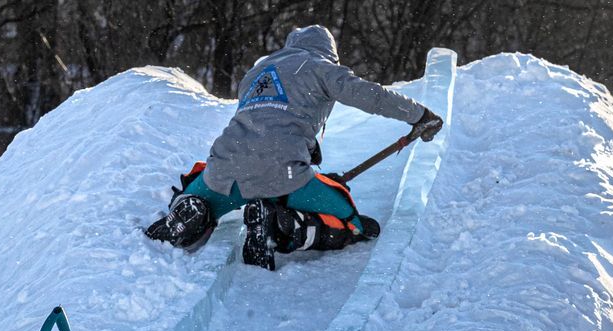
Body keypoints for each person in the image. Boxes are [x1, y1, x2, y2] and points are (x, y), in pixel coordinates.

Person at [145, 25, 443, 270]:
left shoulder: (256, 74)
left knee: (202, 189)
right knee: (351, 221)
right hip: (284, 170)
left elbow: (266, 119)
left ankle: (191, 208)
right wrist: (419, 115)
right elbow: (371, 95)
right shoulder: (322, 68)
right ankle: (279, 224)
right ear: (329, 54)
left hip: (224, 165)